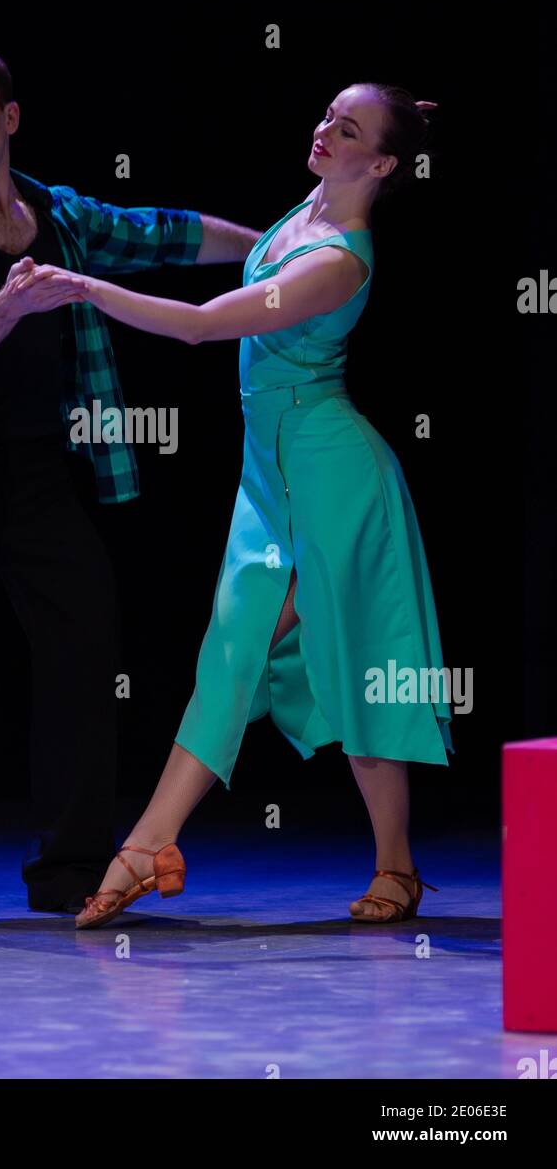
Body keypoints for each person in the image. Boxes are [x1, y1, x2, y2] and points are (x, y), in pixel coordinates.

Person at [38, 82, 454, 929]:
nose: (325, 131)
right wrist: (154, 243)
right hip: (269, 476)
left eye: (349, 130)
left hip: (333, 477)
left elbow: (200, 327)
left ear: (382, 162)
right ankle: (153, 844)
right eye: (328, 116)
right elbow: (235, 245)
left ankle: (391, 866)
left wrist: (86, 289)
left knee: (353, 659)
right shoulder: (302, 212)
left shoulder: (340, 257)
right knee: (229, 653)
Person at [0, 44, 262, 914]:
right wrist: (11, 300)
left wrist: (273, 252)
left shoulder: (64, 216)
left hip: (41, 474)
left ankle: (69, 867)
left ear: (9, 117)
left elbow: (165, 233)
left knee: (85, 653)